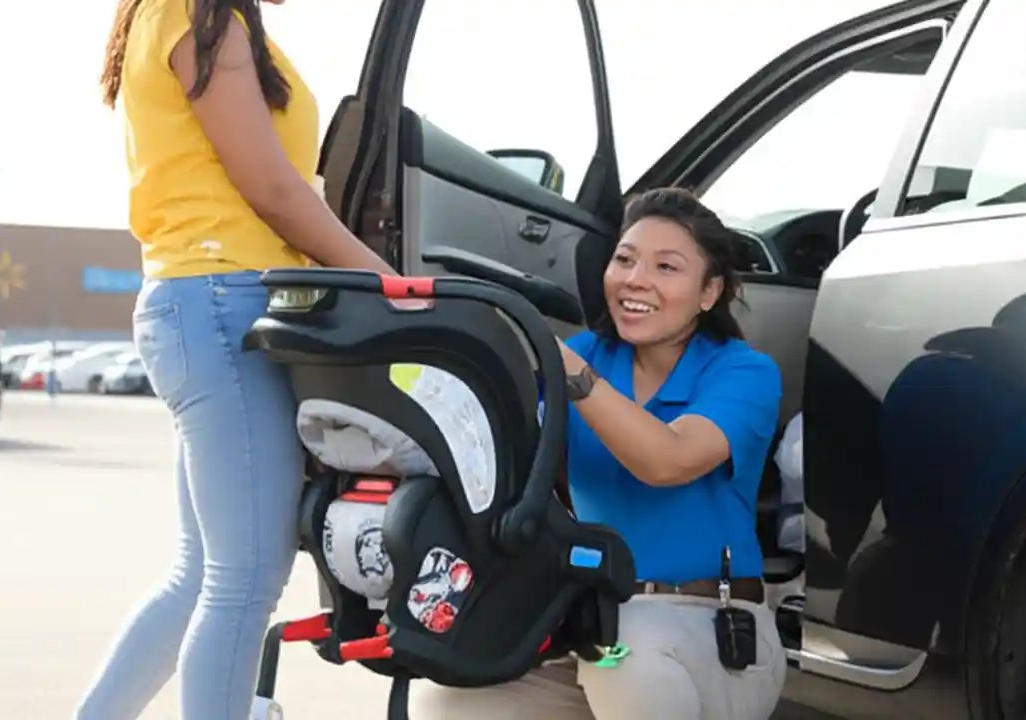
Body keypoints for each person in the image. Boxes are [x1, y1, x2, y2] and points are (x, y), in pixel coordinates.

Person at [77, 1, 395, 719]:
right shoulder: (195, 10)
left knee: (201, 577)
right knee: (244, 578)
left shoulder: (201, 16)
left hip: (208, 302)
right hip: (222, 303)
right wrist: (390, 285)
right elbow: (272, 188)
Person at [410, 187, 788, 720]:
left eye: (667, 267)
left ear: (710, 292)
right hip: (597, 623)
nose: (636, 280)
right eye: (625, 260)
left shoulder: (743, 372)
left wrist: (563, 366)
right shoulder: (588, 354)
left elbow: (667, 460)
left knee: (623, 653)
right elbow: (511, 456)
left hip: (713, 632)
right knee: (448, 706)